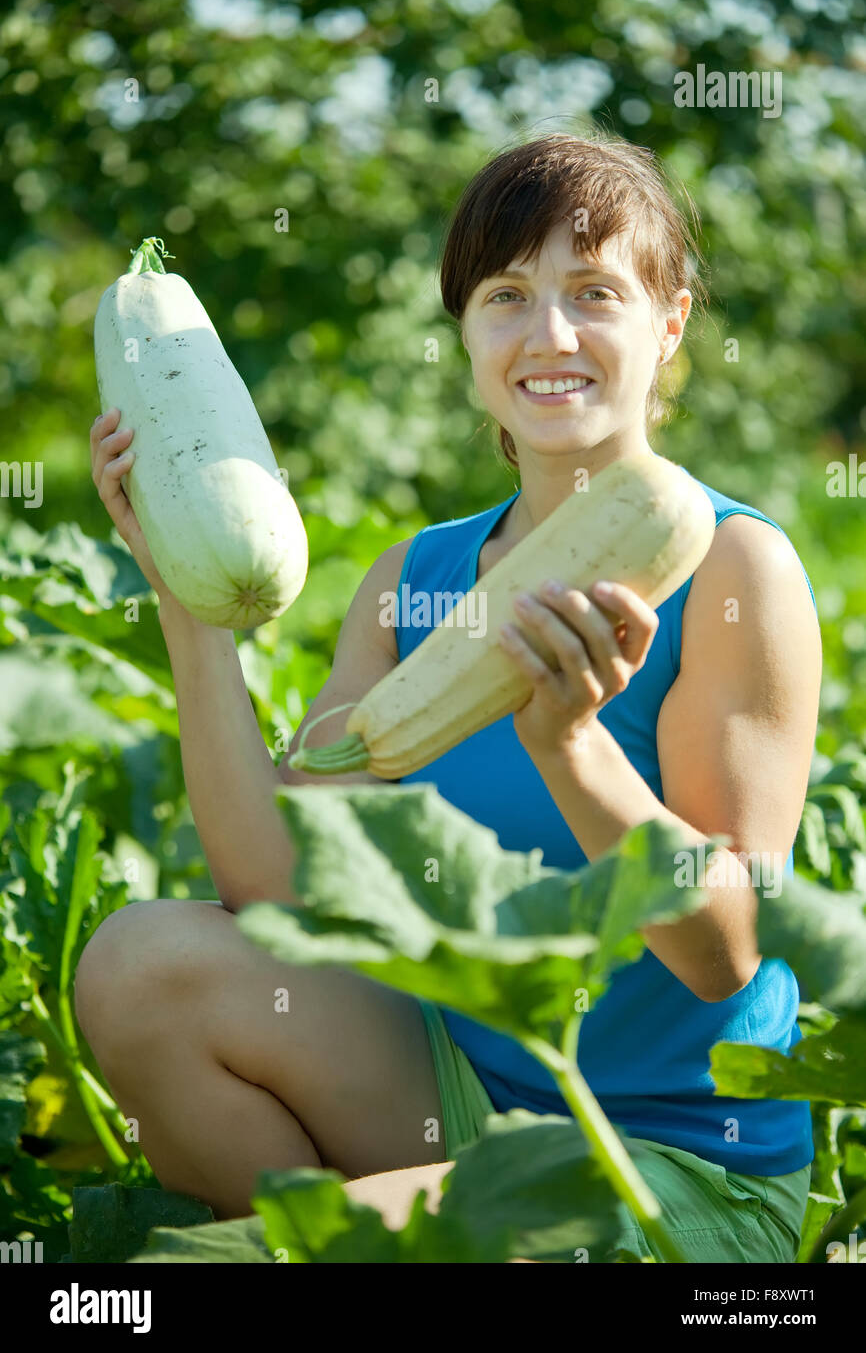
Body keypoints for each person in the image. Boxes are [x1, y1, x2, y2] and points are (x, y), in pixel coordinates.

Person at [75, 132, 821, 1263]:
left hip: (664, 1163)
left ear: (667, 322)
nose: (549, 334)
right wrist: (182, 591)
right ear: (466, 333)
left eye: (594, 293)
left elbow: (719, 949)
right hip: (460, 1096)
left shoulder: (731, 569)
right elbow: (269, 881)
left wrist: (571, 745)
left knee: (205, 1270)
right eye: (506, 295)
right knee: (139, 966)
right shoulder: (412, 582)